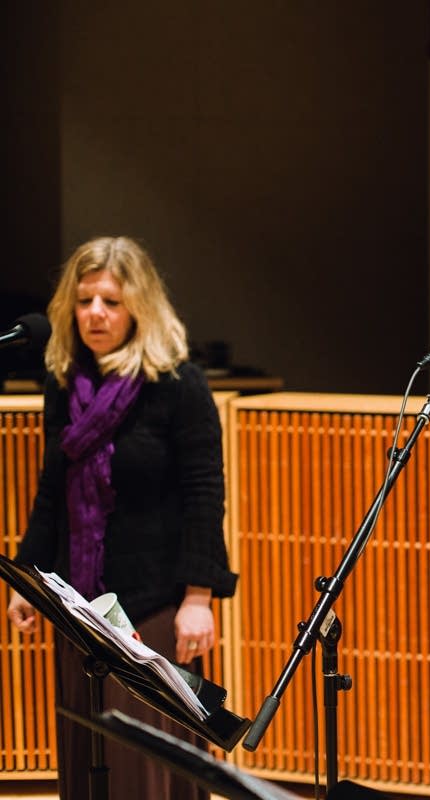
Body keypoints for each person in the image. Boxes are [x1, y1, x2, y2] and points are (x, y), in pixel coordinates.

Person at [5, 236, 238, 799]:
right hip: (78, 603)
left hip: (153, 601)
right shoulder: (64, 383)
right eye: (84, 302)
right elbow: (51, 489)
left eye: (110, 301)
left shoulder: (178, 383)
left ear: (139, 307)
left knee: (147, 762)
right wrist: (26, 580)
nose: (95, 314)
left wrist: (198, 598)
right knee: (88, 752)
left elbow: (205, 493)